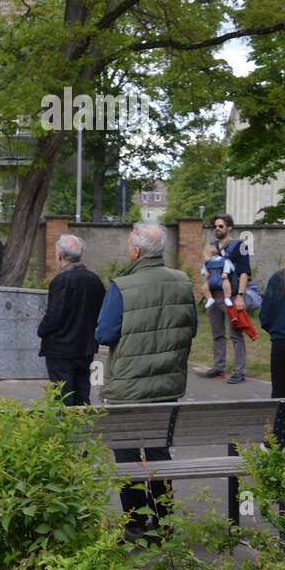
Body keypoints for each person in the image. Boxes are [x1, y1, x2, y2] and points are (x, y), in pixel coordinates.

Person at [94, 222, 196, 542]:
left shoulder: (122, 286)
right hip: (166, 386)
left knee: (126, 454)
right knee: (158, 452)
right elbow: (190, 328)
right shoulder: (182, 282)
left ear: (136, 252)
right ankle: (163, 521)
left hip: (127, 388)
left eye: (129, 246)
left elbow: (104, 333)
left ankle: (135, 523)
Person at [37, 234, 107, 406]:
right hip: (85, 348)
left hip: (61, 350)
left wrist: (41, 330)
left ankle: (67, 433)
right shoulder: (94, 280)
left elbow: (54, 316)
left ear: (59, 255)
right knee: (82, 395)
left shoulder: (61, 281)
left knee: (63, 399)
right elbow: (100, 313)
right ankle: (83, 431)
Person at [200, 214, 252, 383]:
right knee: (217, 334)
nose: (217, 229)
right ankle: (219, 367)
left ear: (229, 227)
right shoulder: (211, 247)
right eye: (215, 226)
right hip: (214, 298)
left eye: (221, 226)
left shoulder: (240, 246)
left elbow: (244, 272)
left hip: (231, 296)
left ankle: (239, 371)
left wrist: (240, 296)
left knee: (236, 335)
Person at [260, 235, 285, 399]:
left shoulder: (277, 278)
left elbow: (265, 316)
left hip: (282, 341)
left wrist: (277, 330)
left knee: (280, 393)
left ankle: (280, 425)